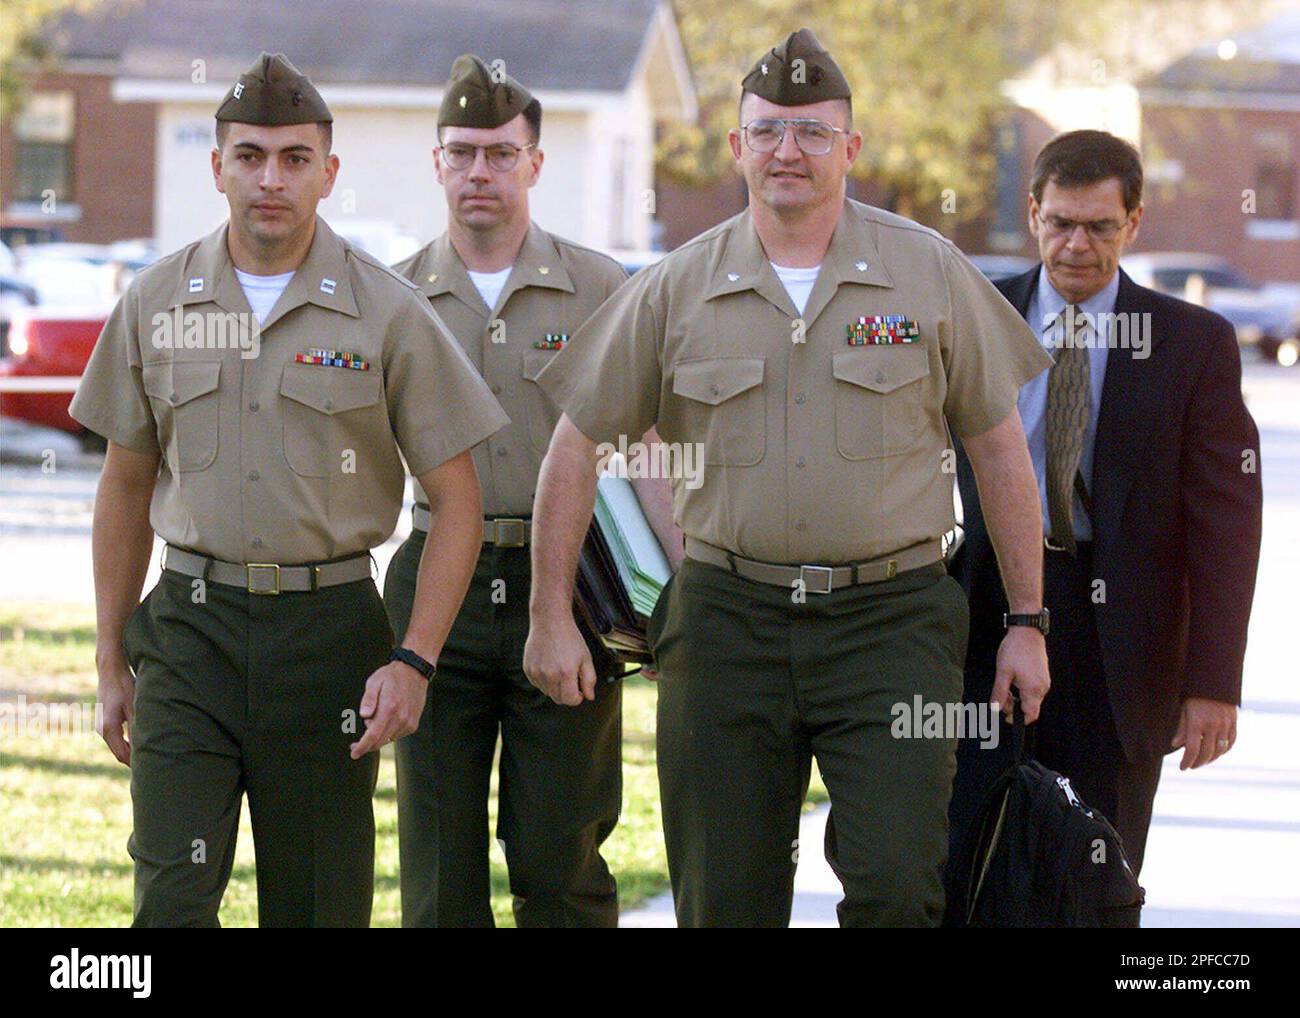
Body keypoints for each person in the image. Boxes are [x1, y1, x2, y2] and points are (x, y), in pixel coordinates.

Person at [523, 28, 1055, 927]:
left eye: (813, 133)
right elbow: (574, 448)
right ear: (736, 147)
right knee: (724, 897)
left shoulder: (924, 270)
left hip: (892, 624)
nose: (788, 152)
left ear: (850, 148)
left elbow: (1001, 448)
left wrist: (1028, 622)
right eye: (767, 131)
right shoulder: (675, 287)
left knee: (897, 886)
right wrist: (547, 619)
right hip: (727, 625)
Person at [71, 52, 508, 927]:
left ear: (327, 172)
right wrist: (112, 657)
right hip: (188, 631)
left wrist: (415, 659)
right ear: (218, 166)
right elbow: (124, 488)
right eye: (251, 157)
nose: (271, 179)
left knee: (318, 905)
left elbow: (459, 501)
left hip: (328, 640)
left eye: (295, 159)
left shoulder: (386, 312)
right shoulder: (155, 301)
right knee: (171, 894)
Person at [945, 129, 1263, 903]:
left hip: (1120, 650)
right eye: (1059, 223)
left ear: (1135, 222)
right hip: (983, 622)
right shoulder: (973, 317)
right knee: (962, 866)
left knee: (1095, 879)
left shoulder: (1196, 344)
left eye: (1100, 226)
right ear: (1032, 213)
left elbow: (1226, 527)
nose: (1077, 245)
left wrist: (1214, 684)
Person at [386, 54, 630, 927]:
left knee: (559, 851)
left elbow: (655, 451)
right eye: (462, 153)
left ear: (534, 162)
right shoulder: (393, 297)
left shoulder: (605, 290)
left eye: (500, 153)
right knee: (439, 865)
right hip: (433, 588)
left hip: (564, 583)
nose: (479, 171)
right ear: (437, 162)